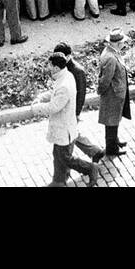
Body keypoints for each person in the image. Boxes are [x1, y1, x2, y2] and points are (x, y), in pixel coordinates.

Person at [35, 53, 99, 187]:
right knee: (58, 154)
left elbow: (54, 106)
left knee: (64, 157)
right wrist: (41, 97)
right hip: (65, 125)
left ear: (56, 67)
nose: (48, 67)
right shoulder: (66, 75)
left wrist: (36, 108)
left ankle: (89, 168)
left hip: (63, 127)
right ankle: (58, 181)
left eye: (50, 65)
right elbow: (54, 93)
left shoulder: (63, 84)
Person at [97, 31, 131, 157]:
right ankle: (112, 149)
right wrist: (101, 91)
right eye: (122, 42)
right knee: (111, 122)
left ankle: (115, 141)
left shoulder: (110, 51)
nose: (124, 43)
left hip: (115, 93)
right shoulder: (111, 58)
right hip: (113, 95)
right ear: (117, 44)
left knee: (114, 120)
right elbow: (106, 79)